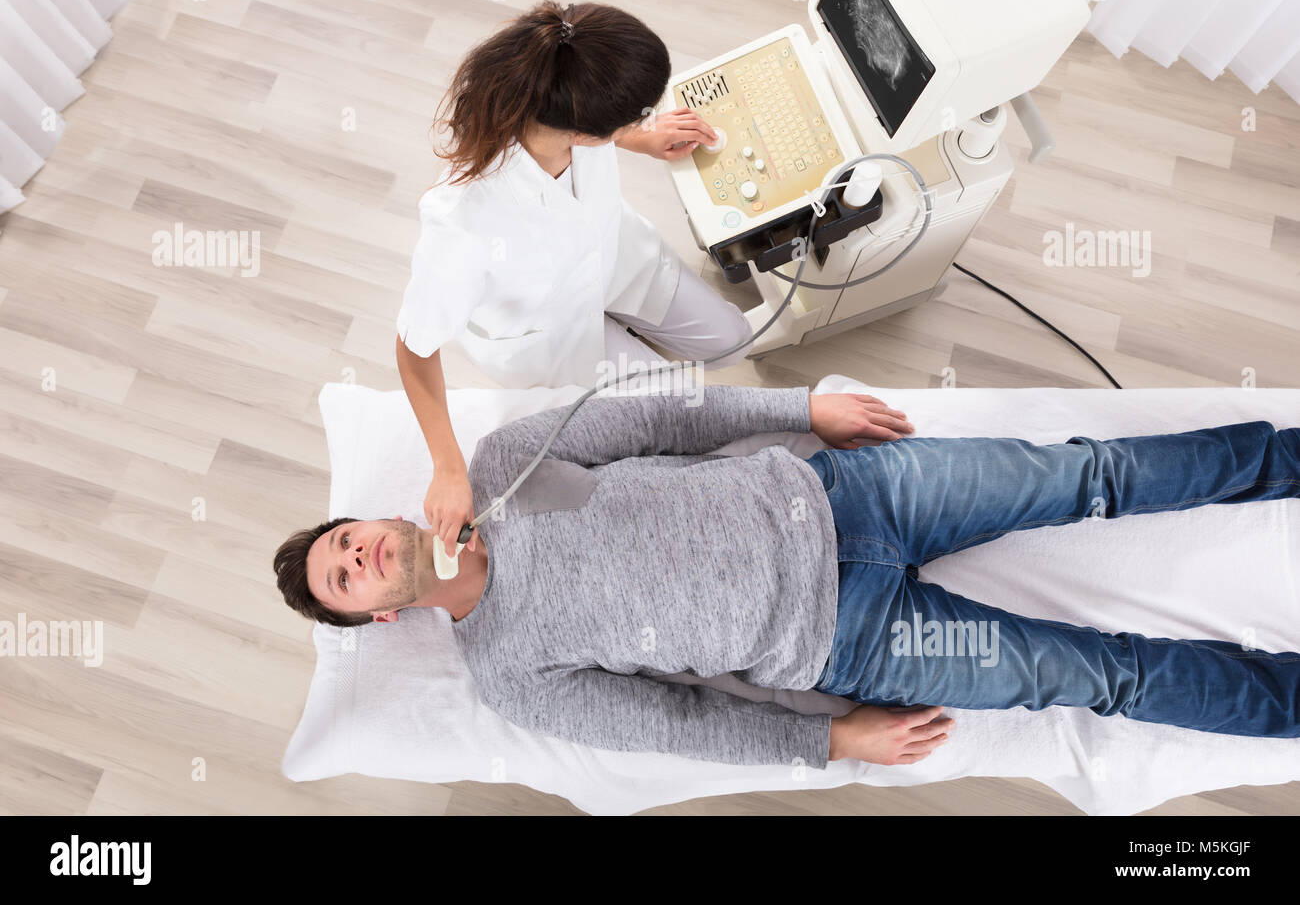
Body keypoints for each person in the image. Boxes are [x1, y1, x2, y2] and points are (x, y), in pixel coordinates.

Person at [273, 384, 1300, 768]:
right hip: (852, 637)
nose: (355, 557)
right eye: (345, 580)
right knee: (1098, 676)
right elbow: (679, 725)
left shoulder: (502, 461)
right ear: (384, 610)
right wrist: (827, 737)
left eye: (344, 541)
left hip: (853, 494)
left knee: (1092, 473)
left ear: (378, 519)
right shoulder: (506, 670)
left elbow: (670, 416)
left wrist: (805, 408)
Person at [395, 0, 912, 566]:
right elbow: (413, 349)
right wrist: (447, 467)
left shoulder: (561, 84)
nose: (641, 119)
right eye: (631, 118)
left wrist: (642, 137)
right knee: (676, 415)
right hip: (550, 335)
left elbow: (599, 130)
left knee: (731, 342)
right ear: (584, 130)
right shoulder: (462, 222)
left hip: (618, 263)